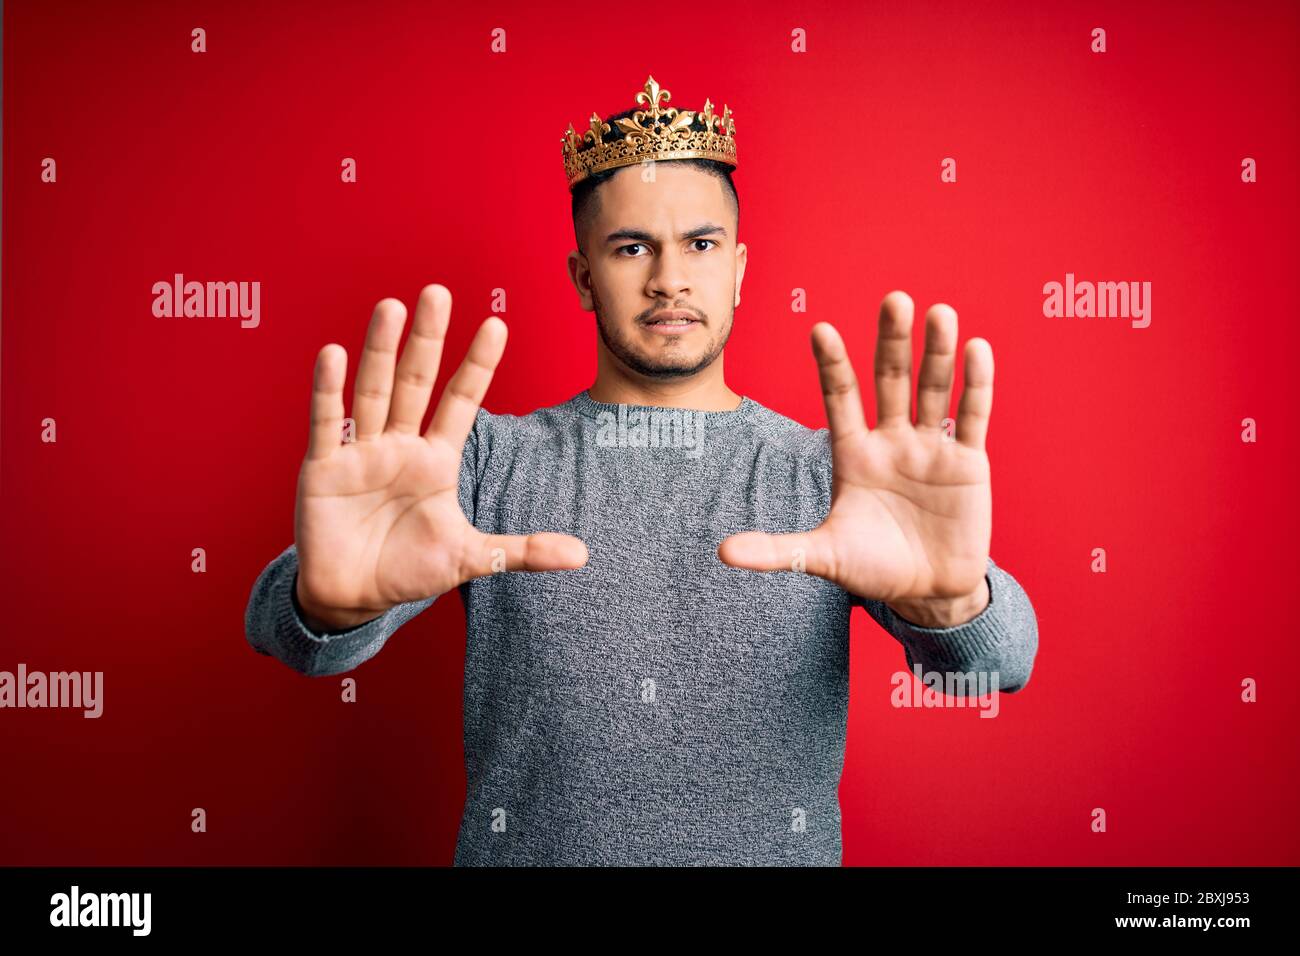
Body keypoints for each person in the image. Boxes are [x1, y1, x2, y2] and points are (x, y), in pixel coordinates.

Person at [244, 74, 1039, 866]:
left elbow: (1001, 667)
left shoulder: (830, 478)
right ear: (584, 277)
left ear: (739, 268)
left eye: (701, 244)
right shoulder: (484, 459)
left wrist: (956, 603)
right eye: (632, 248)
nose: (670, 279)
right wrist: (322, 602)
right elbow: (288, 637)